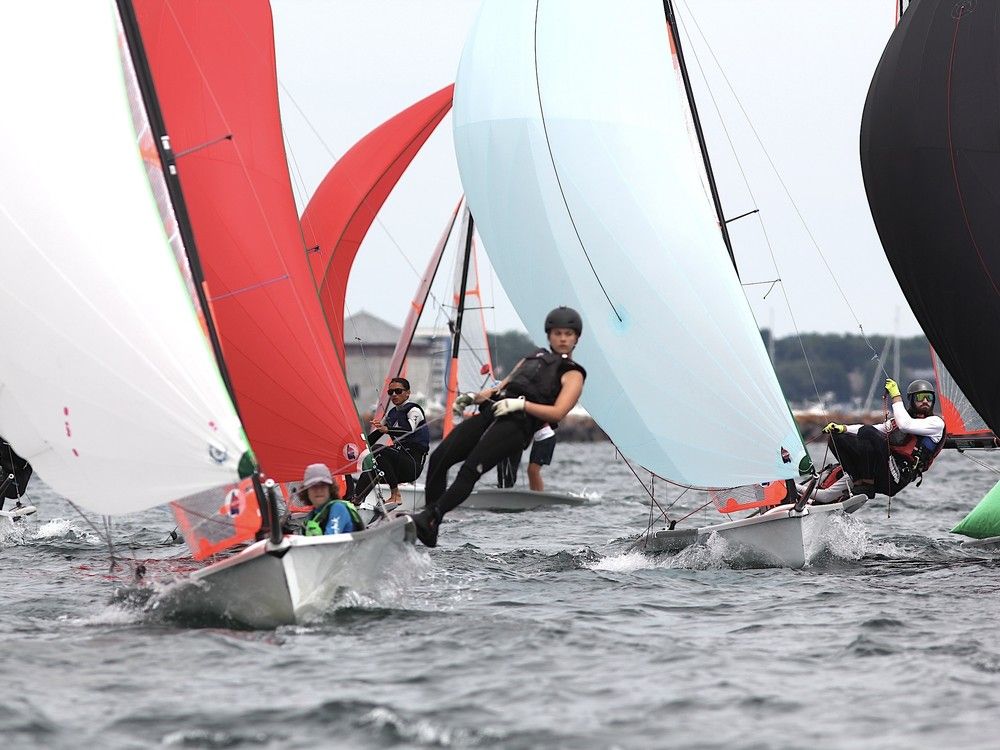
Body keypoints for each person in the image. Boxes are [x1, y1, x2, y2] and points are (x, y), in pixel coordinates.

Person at [411, 306, 586, 547]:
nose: (563, 338)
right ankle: (429, 522)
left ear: (576, 337)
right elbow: (500, 387)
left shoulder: (573, 374)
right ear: (549, 335)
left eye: (568, 334)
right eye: (558, 333)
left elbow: (558, 412)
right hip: (491, 413)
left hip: (516, 426)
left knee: (469, 470)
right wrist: (473, 398)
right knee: (440, 458)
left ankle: (432, 518)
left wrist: (521, 406)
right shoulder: (532, 358)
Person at [806, 378, 945, 503]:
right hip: (881, 470)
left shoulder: (936, 423)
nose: (926, 401)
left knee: (868, 432)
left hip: (896, 478)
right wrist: (843, 428)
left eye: (929, 397)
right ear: (912, 400)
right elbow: (876, 428)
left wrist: (895, 396)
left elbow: (905, 425)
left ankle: (867, 485)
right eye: (921, 397)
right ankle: (857, 480)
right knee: (837, 437)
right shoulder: (898, 421)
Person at [353, 378, 429, 505]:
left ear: (407, 393)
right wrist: (354, 450)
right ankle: (355, 501)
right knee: (370, 471)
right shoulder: (390, 414)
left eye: (398, 391)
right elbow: (372, 439)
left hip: (412, 465)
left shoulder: (414, 410)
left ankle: (395, 494)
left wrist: (387, 429)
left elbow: (408, 430)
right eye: (391, 392)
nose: (394, 394)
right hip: (396, 465)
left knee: (378, 449)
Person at [299, 463, 363, 535]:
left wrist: (315, 536)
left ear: (330, 489)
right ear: (306, 491)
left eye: (323, 486)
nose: (319, 490)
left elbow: (331, 539)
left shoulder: (338, 508)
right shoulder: (311, 516)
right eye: (314, 486)